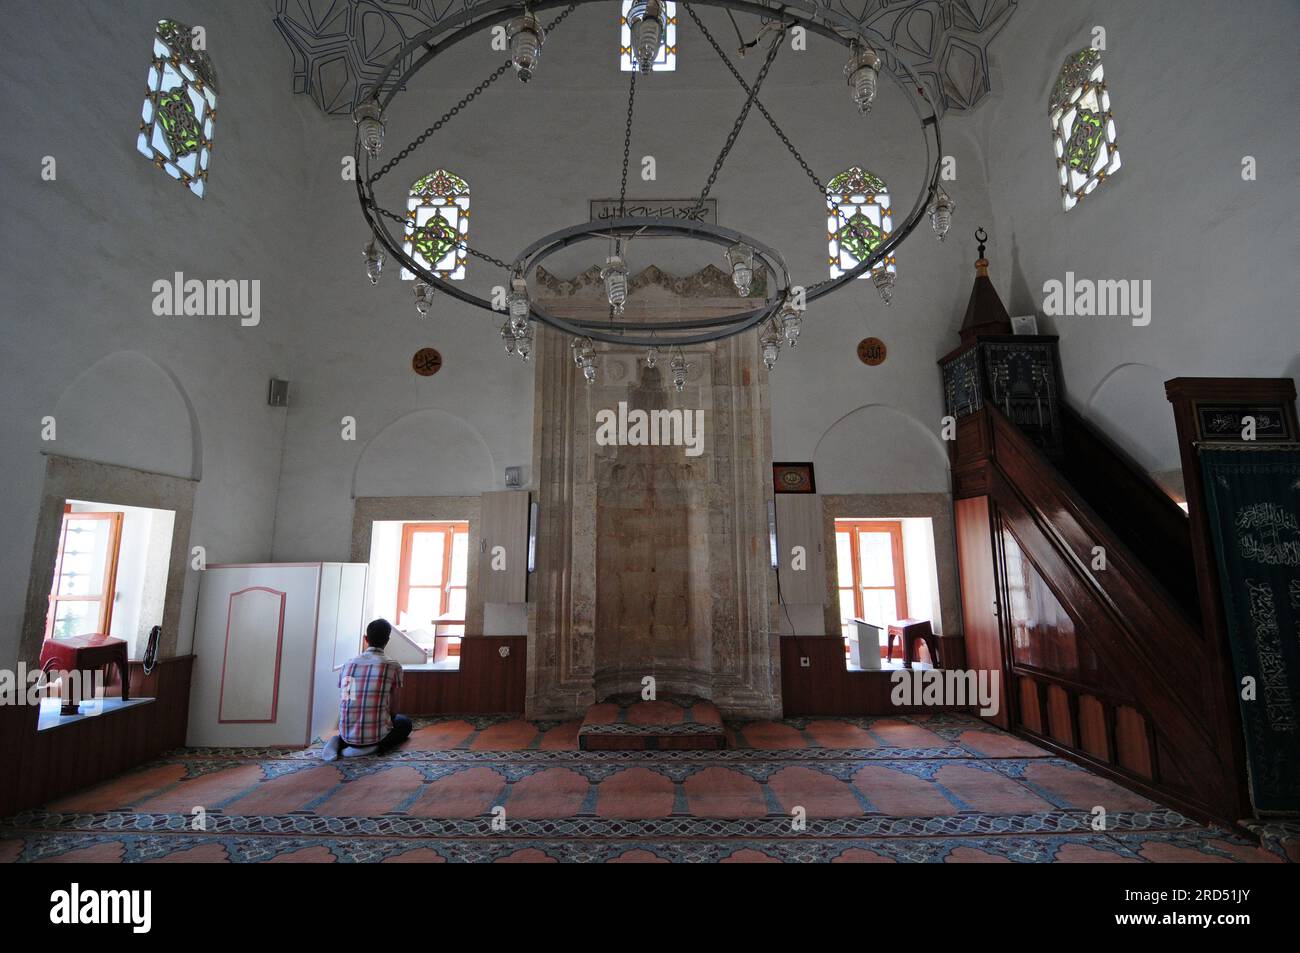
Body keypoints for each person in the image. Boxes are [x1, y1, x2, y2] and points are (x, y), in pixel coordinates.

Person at [322, 618, 411, 761]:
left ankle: (340, 741)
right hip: (377, 736)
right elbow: (395, 708)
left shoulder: (348, 665)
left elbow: (346, 699)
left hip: (347, 733)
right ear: (387, 640)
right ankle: (373, 747)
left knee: (354, 716)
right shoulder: (393, 666)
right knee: (405, 723)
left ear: (366, 639)